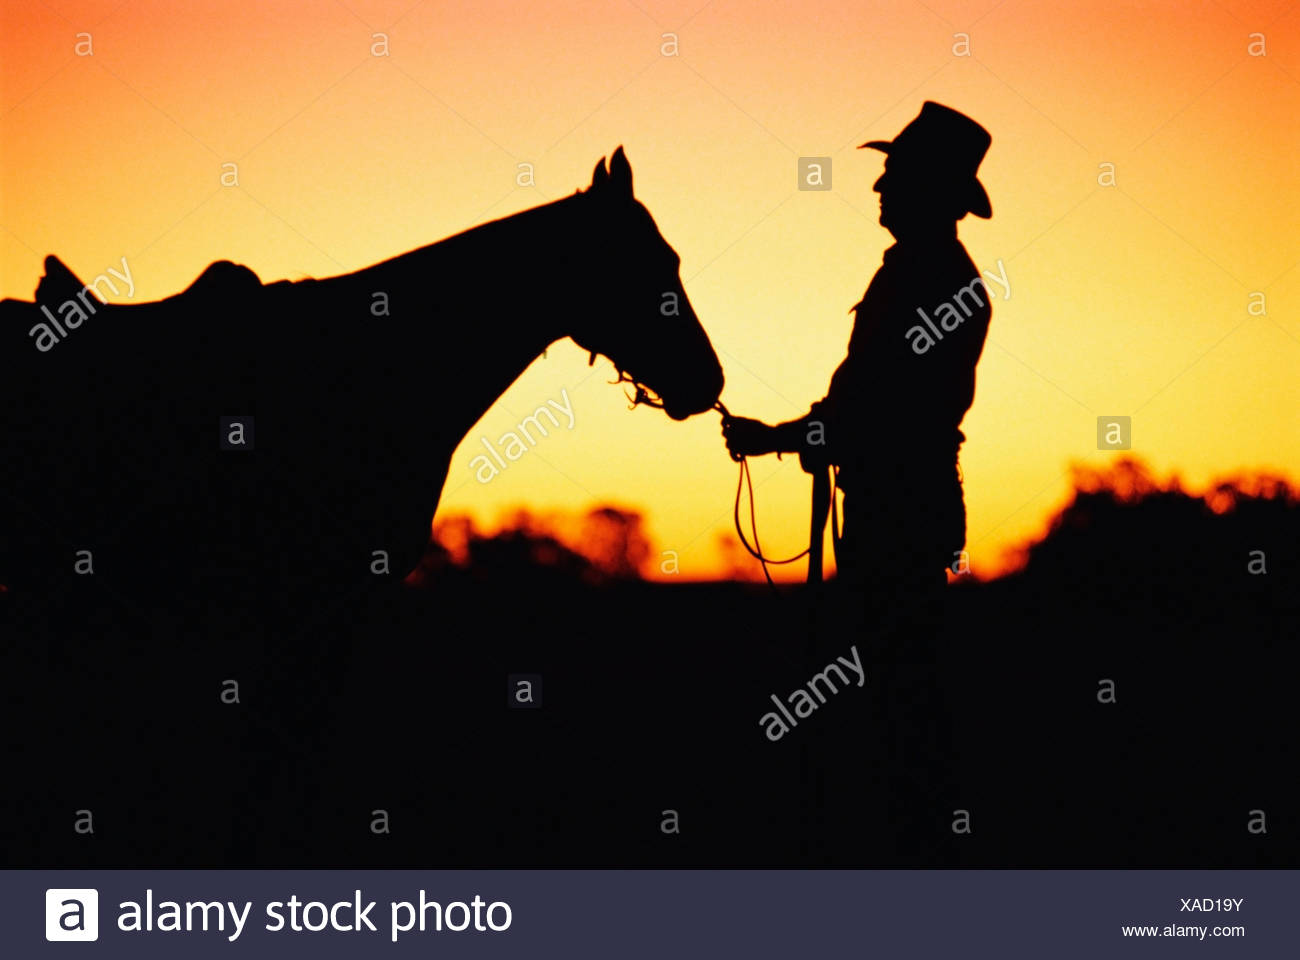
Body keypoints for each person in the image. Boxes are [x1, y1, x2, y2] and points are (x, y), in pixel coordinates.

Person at [721, 102, 996, 860]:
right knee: (893, 678)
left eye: (894, 173)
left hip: (900, 508)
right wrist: (800, 436)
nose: (876, 184)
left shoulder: (934, 279)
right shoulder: (920, 272)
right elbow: (865, 404)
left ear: (929, 189)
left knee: (896, 686)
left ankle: (908, 844)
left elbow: (879, 405)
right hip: (898, 501)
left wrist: (780, 437)